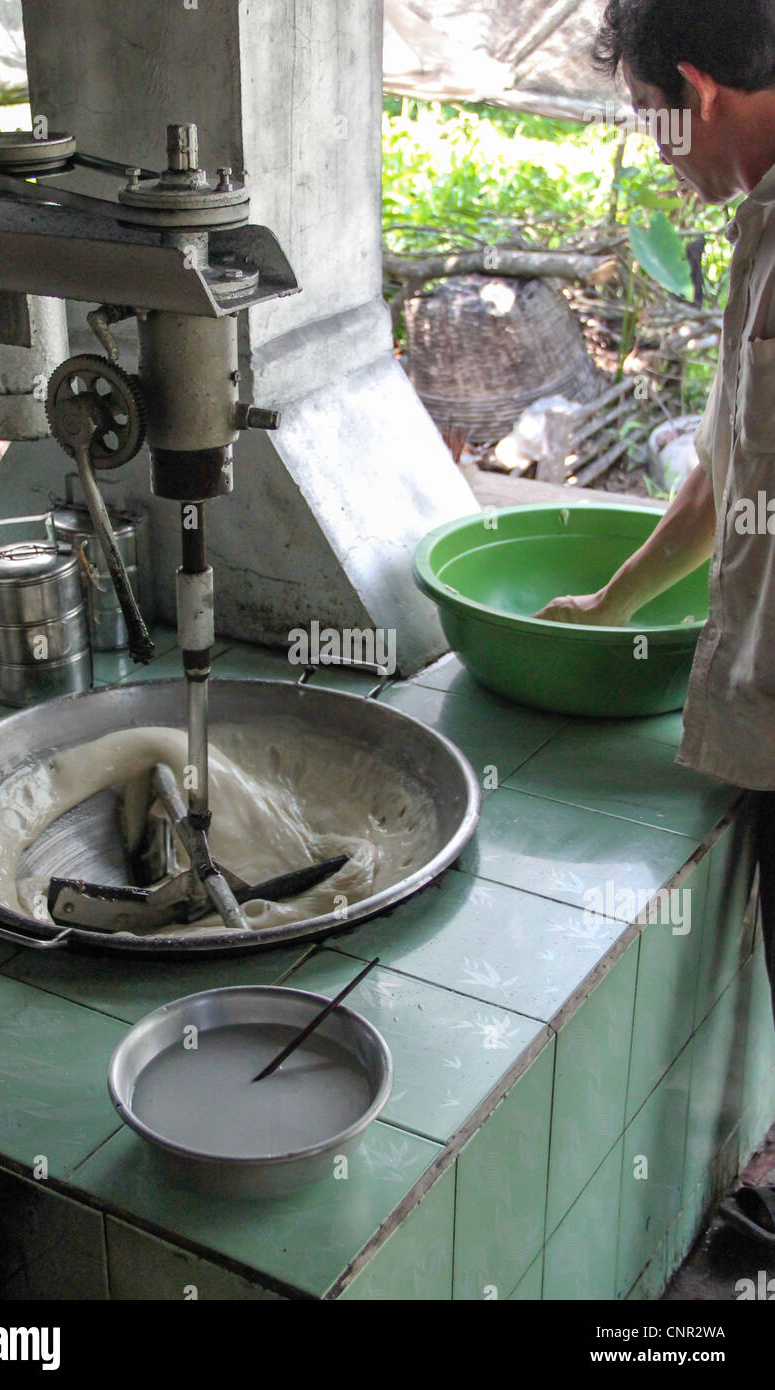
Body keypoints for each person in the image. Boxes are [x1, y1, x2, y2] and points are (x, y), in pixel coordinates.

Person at [534, 0, 775, 1246]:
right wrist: (614, 597)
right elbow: (733, 465)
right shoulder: (762, 217)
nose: (658, 148)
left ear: (694, 83)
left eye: (648, 115)